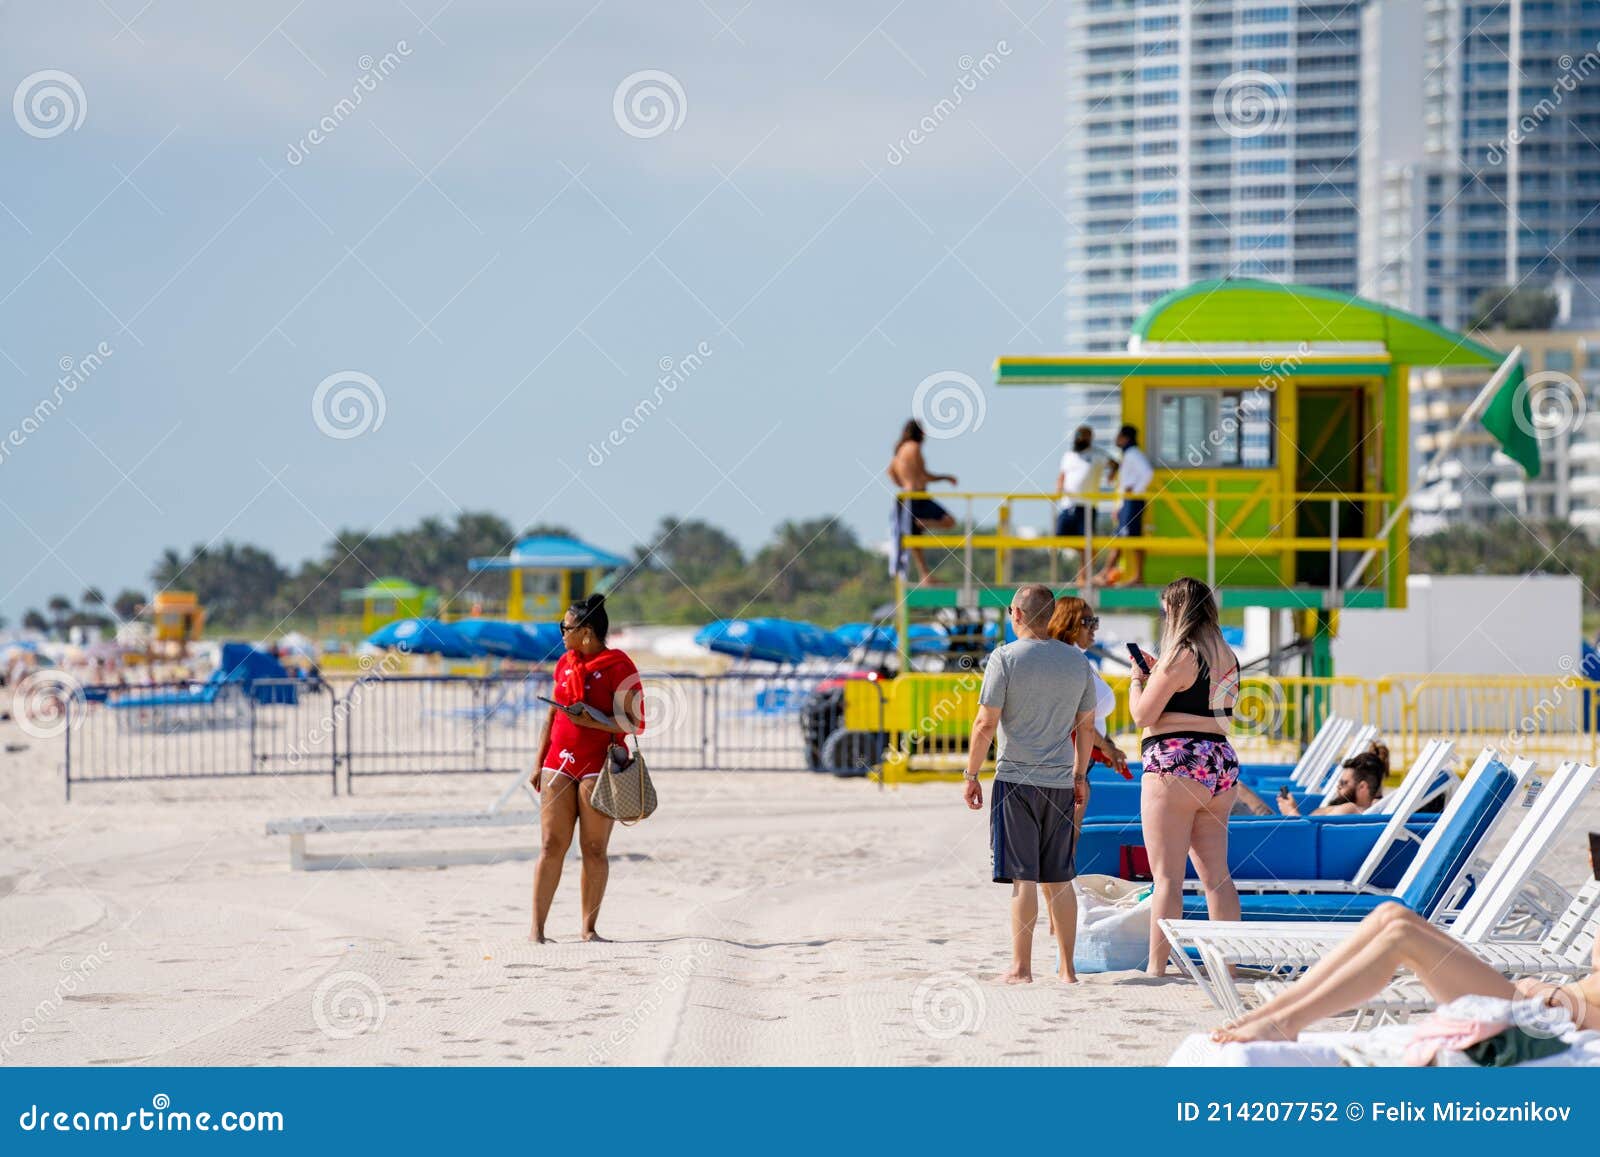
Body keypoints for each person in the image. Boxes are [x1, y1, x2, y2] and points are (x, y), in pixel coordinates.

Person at [1212, 898, 1600, 1044]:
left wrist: (1549, 995)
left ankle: (1286, 1023)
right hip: (1531, 1002)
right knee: (1390, 914)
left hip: (1542, 1022)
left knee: (1400, 937)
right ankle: (1274, 1010)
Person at [961, 584, 1098, 984]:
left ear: (1017, 614)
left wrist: (971, 775)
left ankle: (1022, 968)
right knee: (1059, 877)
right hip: (1059, 781)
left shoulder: (1004, 658)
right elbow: (1086, 726)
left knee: (1024, 878)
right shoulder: (1077, 663)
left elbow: (986, 723)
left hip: (1016, 780)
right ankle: (1069, 970)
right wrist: (1079, 774)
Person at [1129, 577, 1242, 976]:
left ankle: (1157, 968)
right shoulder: (1227, 655)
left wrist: (1137, 680)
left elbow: (1142, 715)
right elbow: (1222, 720)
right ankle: (1226, 965)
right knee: (1216, 877)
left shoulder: (1181, 654)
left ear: (1178, 611)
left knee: (1166, 878)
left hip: (1175, 762)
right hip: (1220, 763)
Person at [530, 594, 643, 944]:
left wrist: (592, 721)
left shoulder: (619, 666)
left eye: (566, 626)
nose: (562, 632)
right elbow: (552, 714)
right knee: (551, 845)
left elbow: (635, 722)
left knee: (593, 849)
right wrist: (537, 763)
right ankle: (537, 930)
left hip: (600, 764)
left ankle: (588, 928)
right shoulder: (564, 663)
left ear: (587, 631)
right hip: (559, 761)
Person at [1045, 596, 1129, 786]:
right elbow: (1078, 719)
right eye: (1088, 622)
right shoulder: (1066, 661)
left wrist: (1107, 745)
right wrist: (1107, 748)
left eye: (1095, 622)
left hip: (1080, 757)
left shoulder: (1077, 659)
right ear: (1068, 623)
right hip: (1071, 762)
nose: (1094, 629)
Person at [1233, 742, 1390, 818]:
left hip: (1282, 841)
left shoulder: (1350, 809)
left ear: (1362, 787)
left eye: (1344, 783)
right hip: (1281, 829)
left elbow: (1303, 839)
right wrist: (1293, 810)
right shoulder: (1348, 807)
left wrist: (1292, 812)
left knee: (1232, 789)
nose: (1338, 788)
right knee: (1236, 787)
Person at [888, 418, 958, 582]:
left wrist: (903, 483)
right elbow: (923, 475)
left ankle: (925, 574)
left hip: (905, 497)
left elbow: (890, 472)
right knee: (949, 521)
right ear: (919, 432)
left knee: (915, 538)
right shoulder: (914, 448)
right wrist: (945, 478)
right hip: (918, 495)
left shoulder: (899, 450)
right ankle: (925, 522)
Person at [1096, 424, 1153, 586]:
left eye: (1118, 436)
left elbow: (1148, 472)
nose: (1116, 439)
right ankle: (1108, 573)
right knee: (1122, 537)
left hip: (1133, 502)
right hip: (1127, 504)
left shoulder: (1133, 454)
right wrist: (1120, 506)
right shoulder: (1127, 455)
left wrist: (1135, 491)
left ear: (1125, 438)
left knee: (1128, 538)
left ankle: (1129, 575)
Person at [1055, 425, 1096, 582]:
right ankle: (1087, 560)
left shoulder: (1096, 455)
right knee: (1060, 538)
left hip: (1086, 506)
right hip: (1068, 504)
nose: (1080, 439)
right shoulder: (1069, 455)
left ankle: (1082, 576)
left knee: (1086, 544)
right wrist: (1059, 488)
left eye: (1084, 436)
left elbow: (1115, 465)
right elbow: (1062, 475)